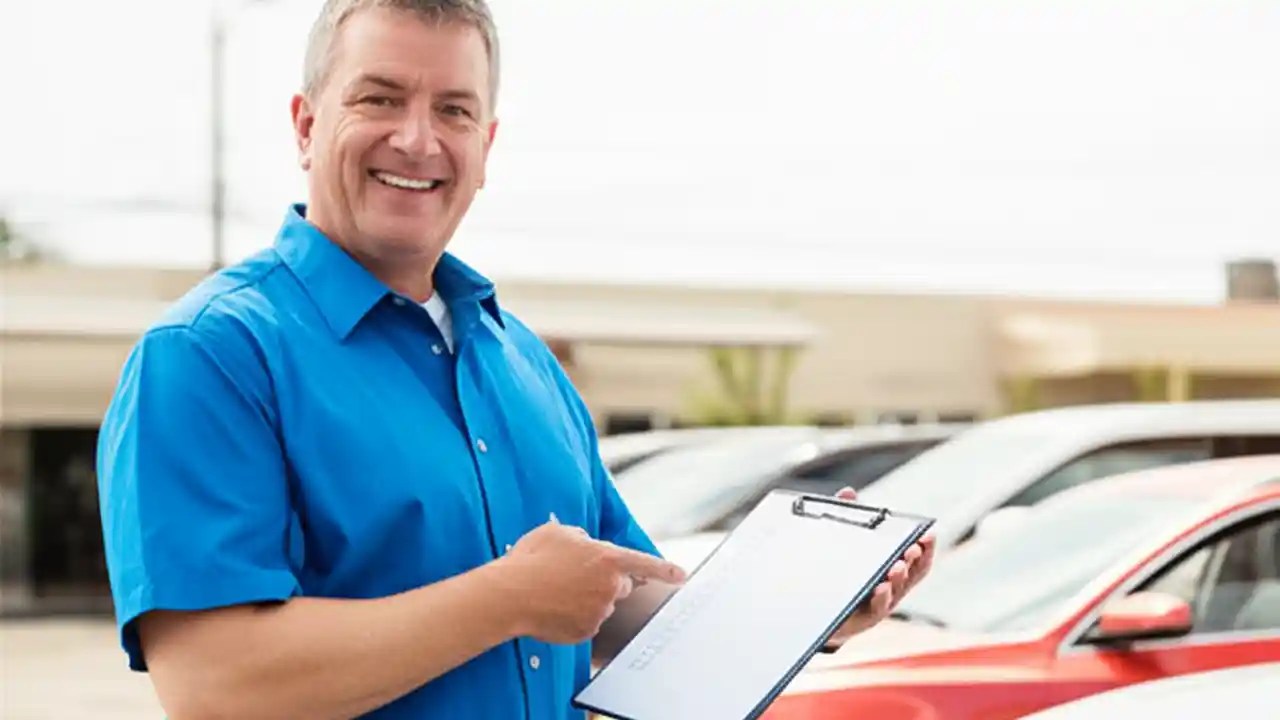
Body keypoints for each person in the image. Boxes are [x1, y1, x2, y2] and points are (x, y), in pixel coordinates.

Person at [94, 1, 935, 718]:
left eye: (455, 111)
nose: (418, 140)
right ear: (308, 125)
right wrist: (505, 599)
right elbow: (213, 682)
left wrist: (809, 612)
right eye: (380, 98)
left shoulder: (520, 358)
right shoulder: (208, 355)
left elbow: (615, 602)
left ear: (487, 145)